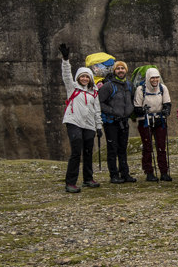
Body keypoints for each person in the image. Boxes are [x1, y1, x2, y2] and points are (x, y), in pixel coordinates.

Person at [58, 43, 101, 193]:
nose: (84, 79)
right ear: (78, 77)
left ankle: (88, 179)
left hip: (89, 124)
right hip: (73, 121)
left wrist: (99, 126)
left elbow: (97, 110)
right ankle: (70, 182)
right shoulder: (72, 88)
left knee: (88, 152)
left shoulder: (93, 92)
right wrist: (65, 59)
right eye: (82, 76)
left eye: (87, 77)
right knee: (76, 151)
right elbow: (66, 75)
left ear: (90, 79)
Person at [97, 60, 136, 183]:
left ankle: (125, 174)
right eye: (118, 68)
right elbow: (99, 102)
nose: (120, 70)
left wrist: (131, 112)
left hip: (124, 122)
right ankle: (113, 175)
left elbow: (132, 100)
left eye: (122, 68)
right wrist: (112, 111)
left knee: (123, 148)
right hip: (111, 122)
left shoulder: (129, 85)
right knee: (112, 149)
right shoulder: (108, 86)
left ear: (126, 70)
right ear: (114, 71)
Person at [132, 67, 172, 181]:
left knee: (161, 146)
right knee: (147, 147)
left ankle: (164, 172)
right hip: (145, 120)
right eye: (152, 78)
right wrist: (143, 110)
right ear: (148, 78)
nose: (155, 80)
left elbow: (167, 103)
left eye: (157, 77)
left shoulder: (163, 88)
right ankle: (149, 172)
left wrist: (166, 110)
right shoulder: (141, 89)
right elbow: (137, 107)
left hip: (159, 119)